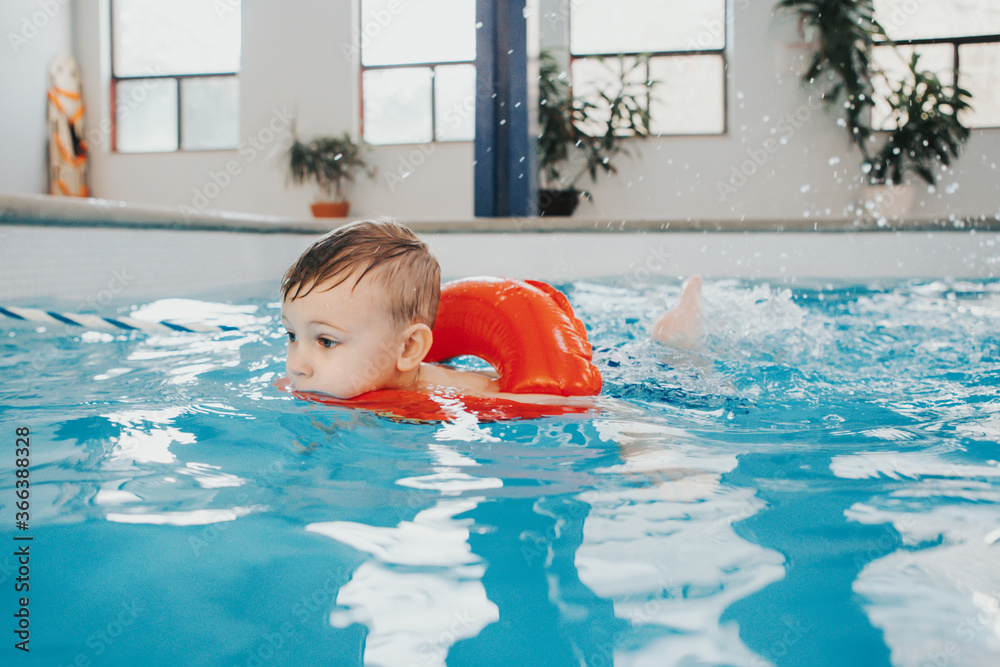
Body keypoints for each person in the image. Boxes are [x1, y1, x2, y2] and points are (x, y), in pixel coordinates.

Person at [280, 219, 702, 404]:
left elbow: (592, 408)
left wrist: (646, 449)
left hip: (622, 380)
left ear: (409, 348)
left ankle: (670, 339)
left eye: (326, 341)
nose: (298, 363)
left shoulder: (457, 392)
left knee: (653, 361)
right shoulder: (324, 382)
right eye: (291, 335)